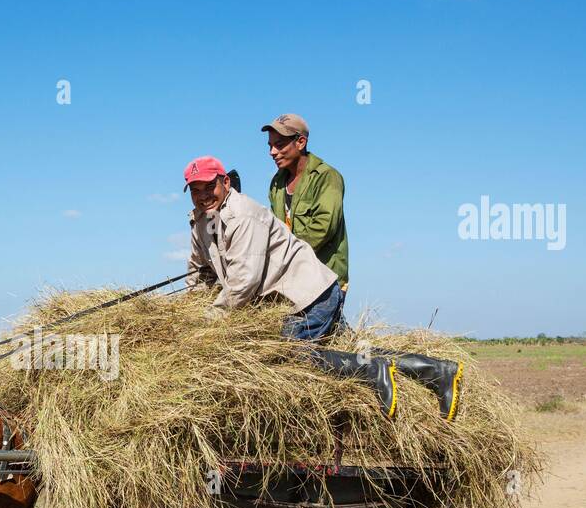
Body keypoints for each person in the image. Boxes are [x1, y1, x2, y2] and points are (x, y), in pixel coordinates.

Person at [182, 155, 461, 419]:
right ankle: (436, 371)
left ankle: (374, 372)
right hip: (297, 299)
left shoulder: (243, 216)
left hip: (309, 296)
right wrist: (188, 310)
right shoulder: (201, 219)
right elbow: (198, 269)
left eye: (209, 186)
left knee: (286, 355)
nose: (203, 194)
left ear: (225, 183)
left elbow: (244, 282)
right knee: (352, 351)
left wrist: (209, 321)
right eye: (195, 189)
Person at [262, 113, 349, 290]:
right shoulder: (277, 183)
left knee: (309, 319)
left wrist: (283, 255)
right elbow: (274, 227)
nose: (272, 152)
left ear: (301, 142)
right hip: (290, 280)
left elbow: (323, 228)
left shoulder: (327, 177)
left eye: (279, 145)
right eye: (270, 146)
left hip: (324, 279)